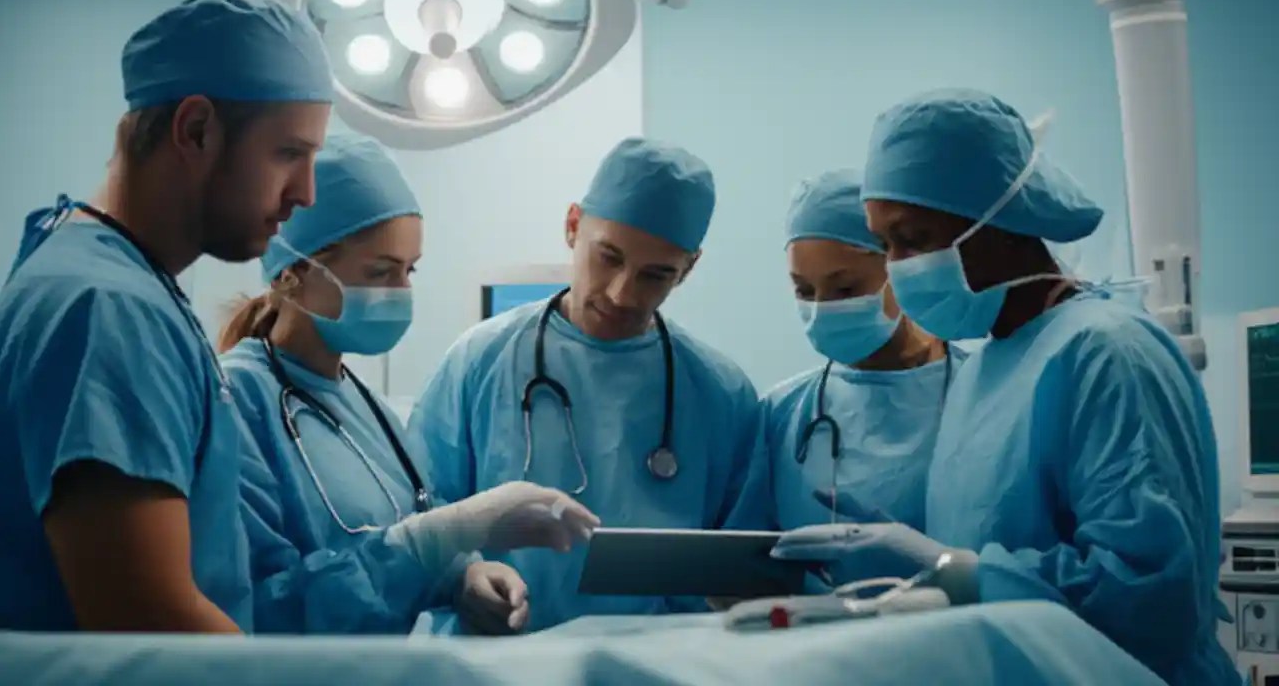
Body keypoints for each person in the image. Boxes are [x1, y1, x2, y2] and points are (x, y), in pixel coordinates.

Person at [770, 89, 1235, 685]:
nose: (898, 266)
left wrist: (950, 570)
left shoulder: (1106, 352)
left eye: (913, 239)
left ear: (1002, 225)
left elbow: (1151, 594)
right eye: (886, 245)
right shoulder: (991, 365)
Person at [0, 0, 334, 632]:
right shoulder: (108, 310)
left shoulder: (103, 276)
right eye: (290, 153)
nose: (306, 193)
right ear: (195, 129)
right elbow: (153, 628)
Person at [217, 133, 599, 635]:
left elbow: (403, 548)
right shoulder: (237, 399)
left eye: (408, 271)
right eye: (380, 273)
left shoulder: (365, 408)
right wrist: (437, 538)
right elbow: (259, 612)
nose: (401, 293)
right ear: (291, 273)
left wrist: (463, 576)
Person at [408, 137, 760, 632]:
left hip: (661, 667)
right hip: (500, 661)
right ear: (573, 225)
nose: (622, 293)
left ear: (689, 268)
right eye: (609, 258)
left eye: (655, 275)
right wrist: (463, 574)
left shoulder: (720, 393)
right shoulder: (480, 361)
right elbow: (421, 509)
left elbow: (739, 555)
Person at [725, 168, 960, 538]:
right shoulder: (783, 413)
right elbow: (748, 557)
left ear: (900, 270)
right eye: (803, 290)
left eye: (845, 288)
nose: (821, 310)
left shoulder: (980, 390)